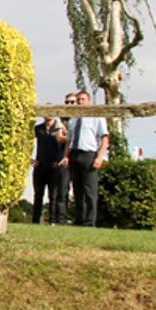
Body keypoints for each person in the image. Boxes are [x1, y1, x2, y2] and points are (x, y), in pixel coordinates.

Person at [67, 89, 110, 227]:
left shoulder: (97, 117)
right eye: (78, 100)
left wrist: (100, 157)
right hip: (74, 154)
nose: (80, 102)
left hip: (89, 154)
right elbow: (69, 140)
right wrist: (66, 156)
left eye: (82, 99)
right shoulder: (73, 119)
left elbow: (105, 138)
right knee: (77, 189)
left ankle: (90, 221)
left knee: (90, 190)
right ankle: (79, 219)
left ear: (89, 101)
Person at [32, 96, 71, 224]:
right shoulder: (38, 129)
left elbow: (68, 142)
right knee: (38, 195)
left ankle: (53, 221)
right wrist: (30, 160)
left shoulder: (61, 128)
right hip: (40, 165)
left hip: (54, 166)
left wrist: (64, 157)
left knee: (53, 196)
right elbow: (27, 142)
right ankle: (35, 221)